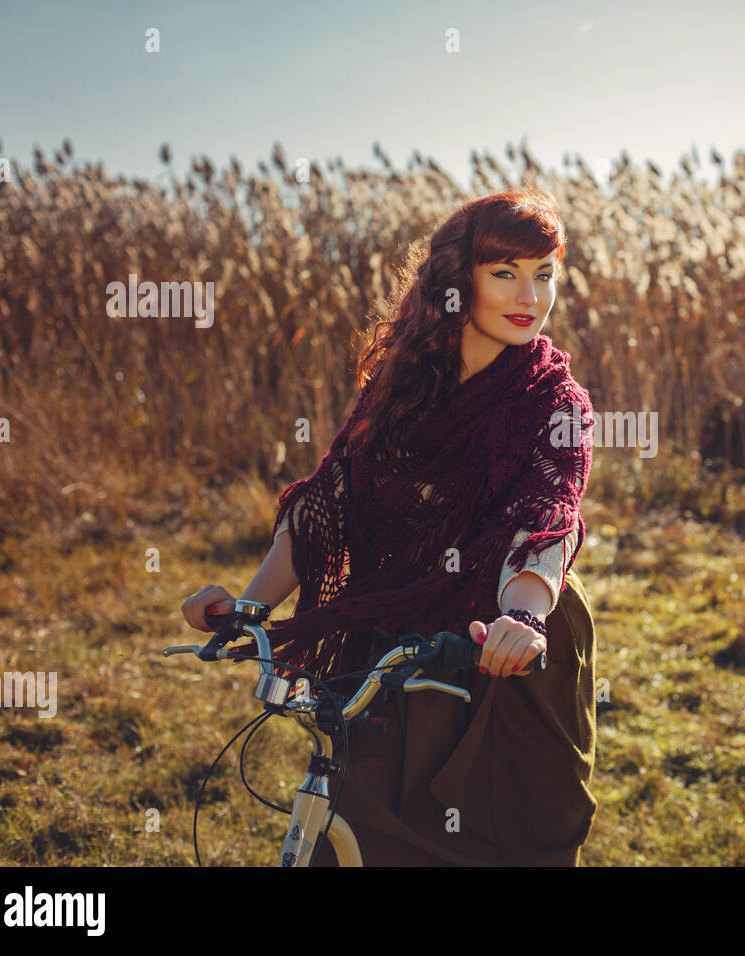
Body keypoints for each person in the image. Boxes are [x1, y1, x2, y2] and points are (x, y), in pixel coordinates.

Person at [179, 186, 598, 865]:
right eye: (505, 273)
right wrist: (248, 605)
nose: (531, 296)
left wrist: (523, 620)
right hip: (396, 629)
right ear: (459, 282)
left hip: (506, 642)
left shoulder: (554, 400)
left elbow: (546, 517)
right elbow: (331, 502)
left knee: (508, 840)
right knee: (351, 831)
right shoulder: (404, 384)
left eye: (544, 274)